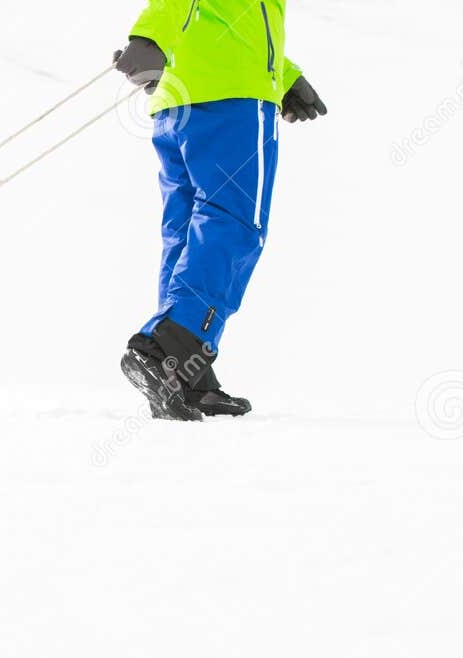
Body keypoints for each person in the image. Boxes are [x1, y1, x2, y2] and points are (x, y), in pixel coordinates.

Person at [114, 1, 327, 421]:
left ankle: (182, 371)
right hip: (233, 101)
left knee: (190, 230)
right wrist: (149, 35)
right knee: (235, 223)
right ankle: (171, 348)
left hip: (181, 97)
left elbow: (227, 18)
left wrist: (284, 75)